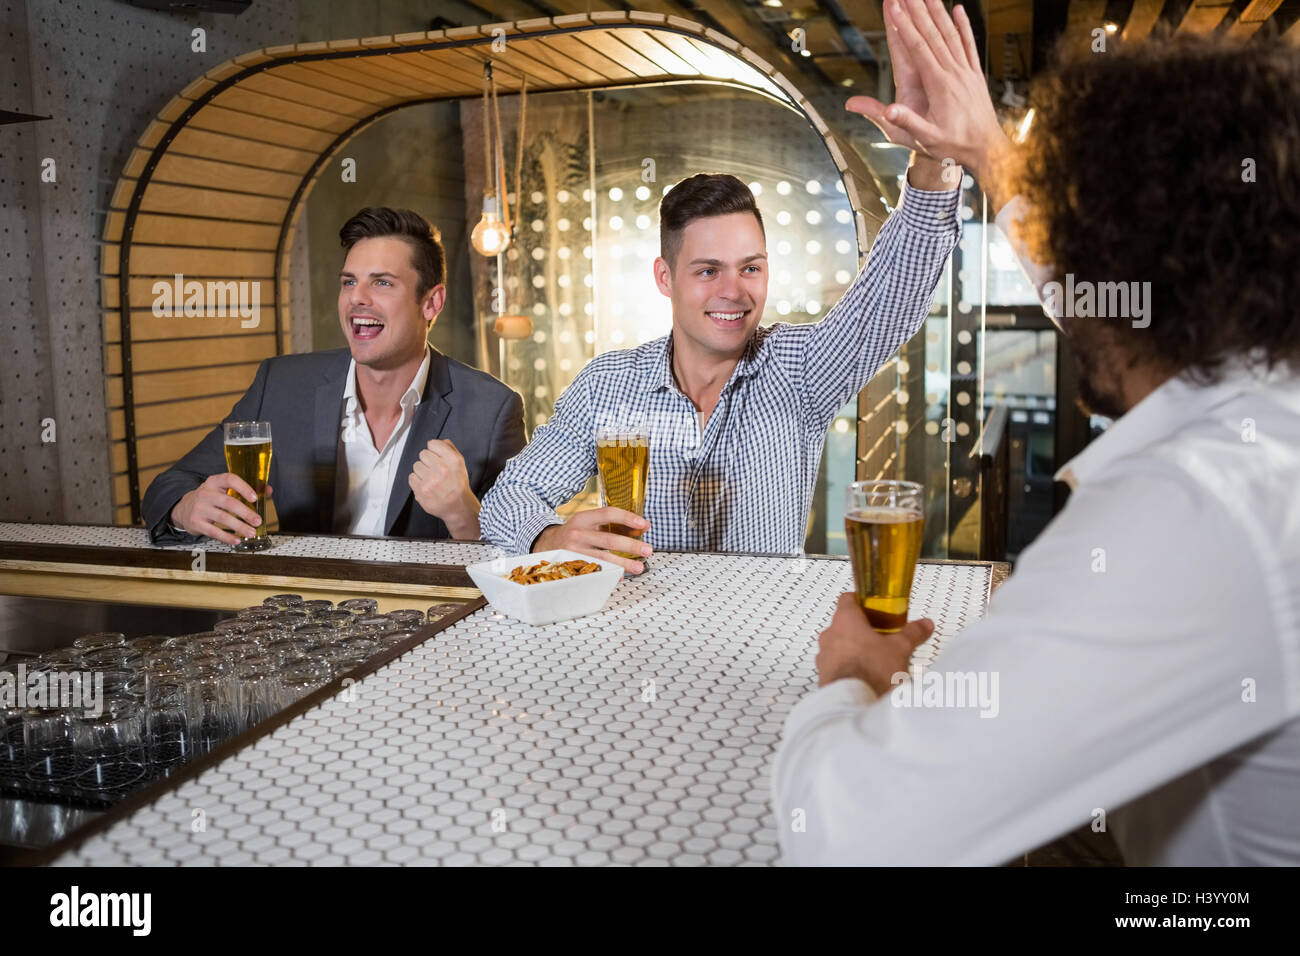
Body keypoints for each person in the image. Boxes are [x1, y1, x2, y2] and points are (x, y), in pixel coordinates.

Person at [774, 0, 1300, 866]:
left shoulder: (1204, 505)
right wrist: (984, 148)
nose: (1061, 261)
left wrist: (853, 679)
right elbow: (1102, 300)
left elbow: (847, 836)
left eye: (1073, 223)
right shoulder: (1253, 395)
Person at [480, 158, 962, 573]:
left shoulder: (799, 368)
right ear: (665, 277)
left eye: (750, 267)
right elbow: (509, 498)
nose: (734, 291)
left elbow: (892, 297)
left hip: (766, 643)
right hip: (638, 636)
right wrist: (547, 539)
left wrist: (934, 164)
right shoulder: (608, 384)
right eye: (709, 270)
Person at [143, 207, 526, 546]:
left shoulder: (491, 410)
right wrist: (188, 506)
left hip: (427, 618)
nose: (356, 297)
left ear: (431, 302)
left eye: (382, 282)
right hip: (305, 617)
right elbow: (169, 485)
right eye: (348, 282)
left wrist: (463, 514)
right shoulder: (282, 385)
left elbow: (523, 551)